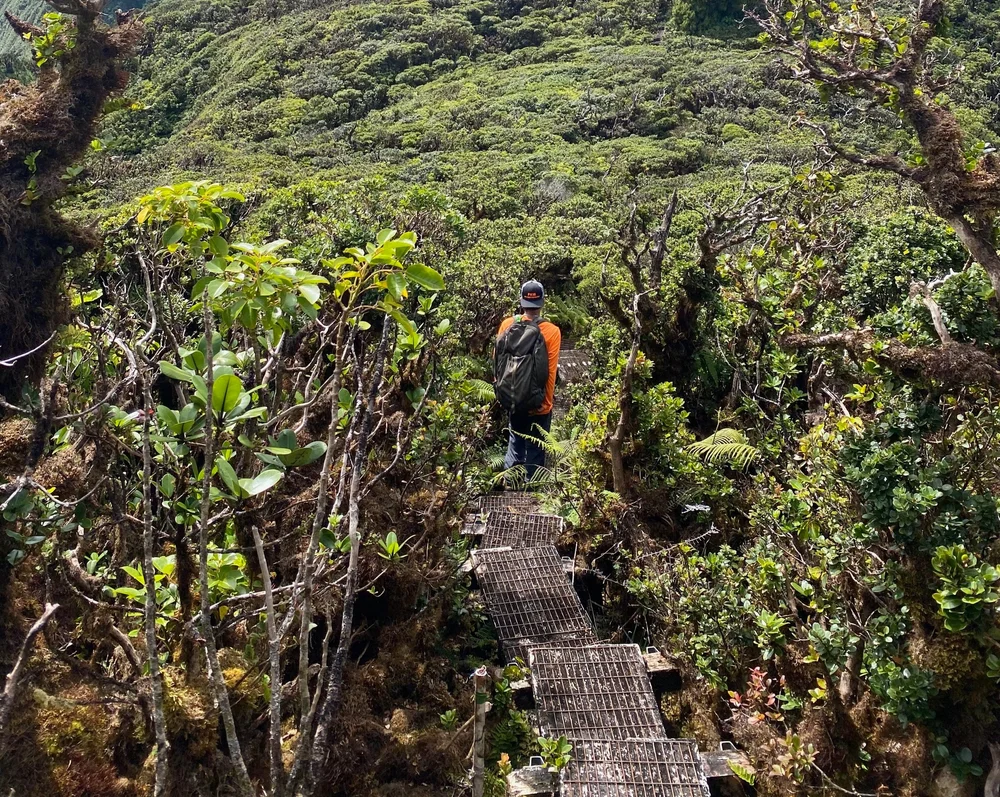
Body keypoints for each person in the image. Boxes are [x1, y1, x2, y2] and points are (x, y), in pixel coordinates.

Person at [494, 280, 561, 483]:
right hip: (538, 402)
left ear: (521, 301)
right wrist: (545, 404)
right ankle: (532, 486)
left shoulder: (507, 325)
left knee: (515, 442)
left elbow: (497, 364)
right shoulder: (551, 331)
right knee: (536, 447)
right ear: (542, 302)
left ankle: (511, 482)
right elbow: (550, 372)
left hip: (513, 398)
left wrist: (505, 395)